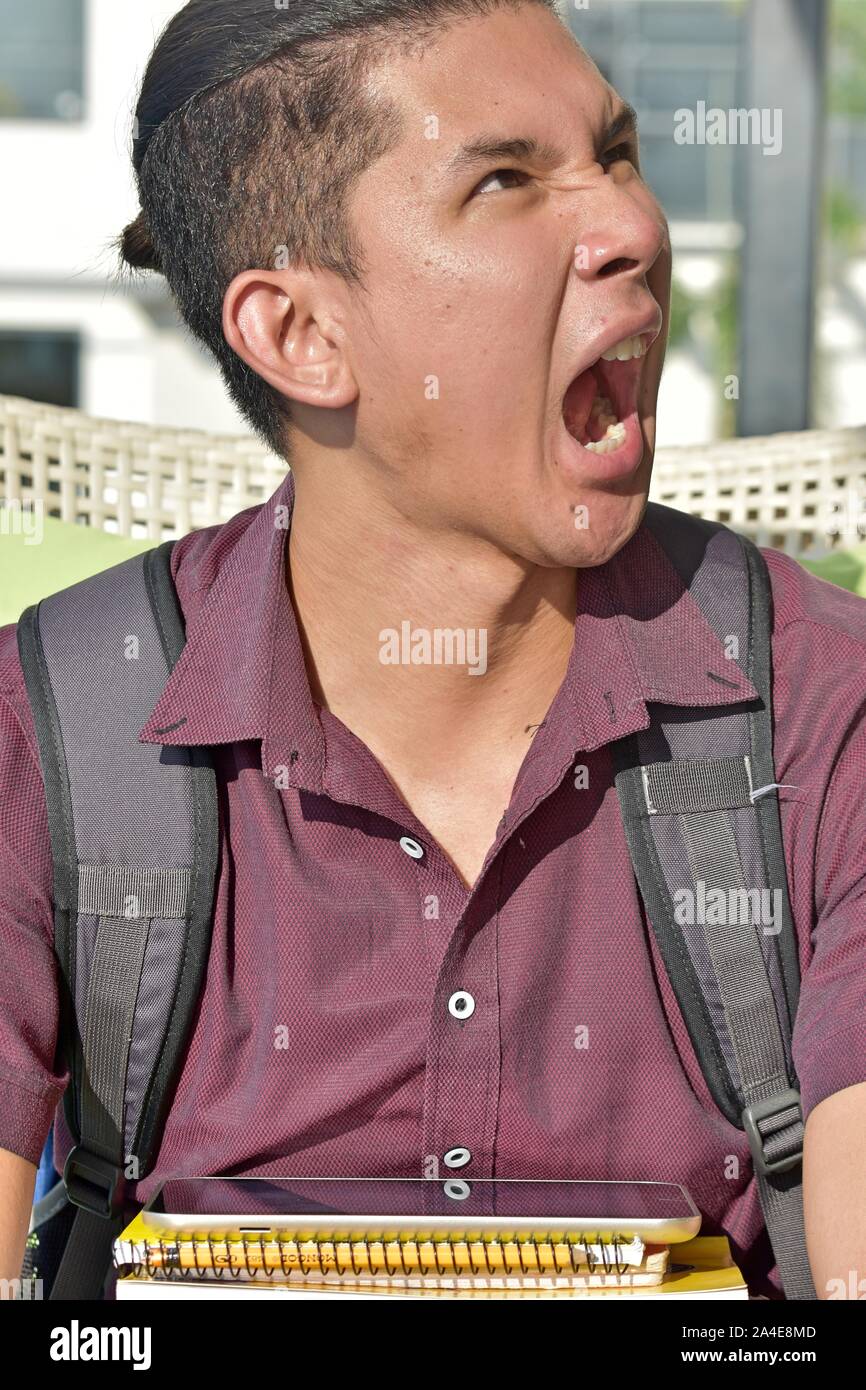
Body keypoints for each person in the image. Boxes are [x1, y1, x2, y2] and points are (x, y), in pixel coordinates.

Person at [1, 0, 865, 1299]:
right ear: (302, 335)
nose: (634, 228)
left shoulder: (823, 703)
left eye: (616, 153)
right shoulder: (44, 730)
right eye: (506, 180)